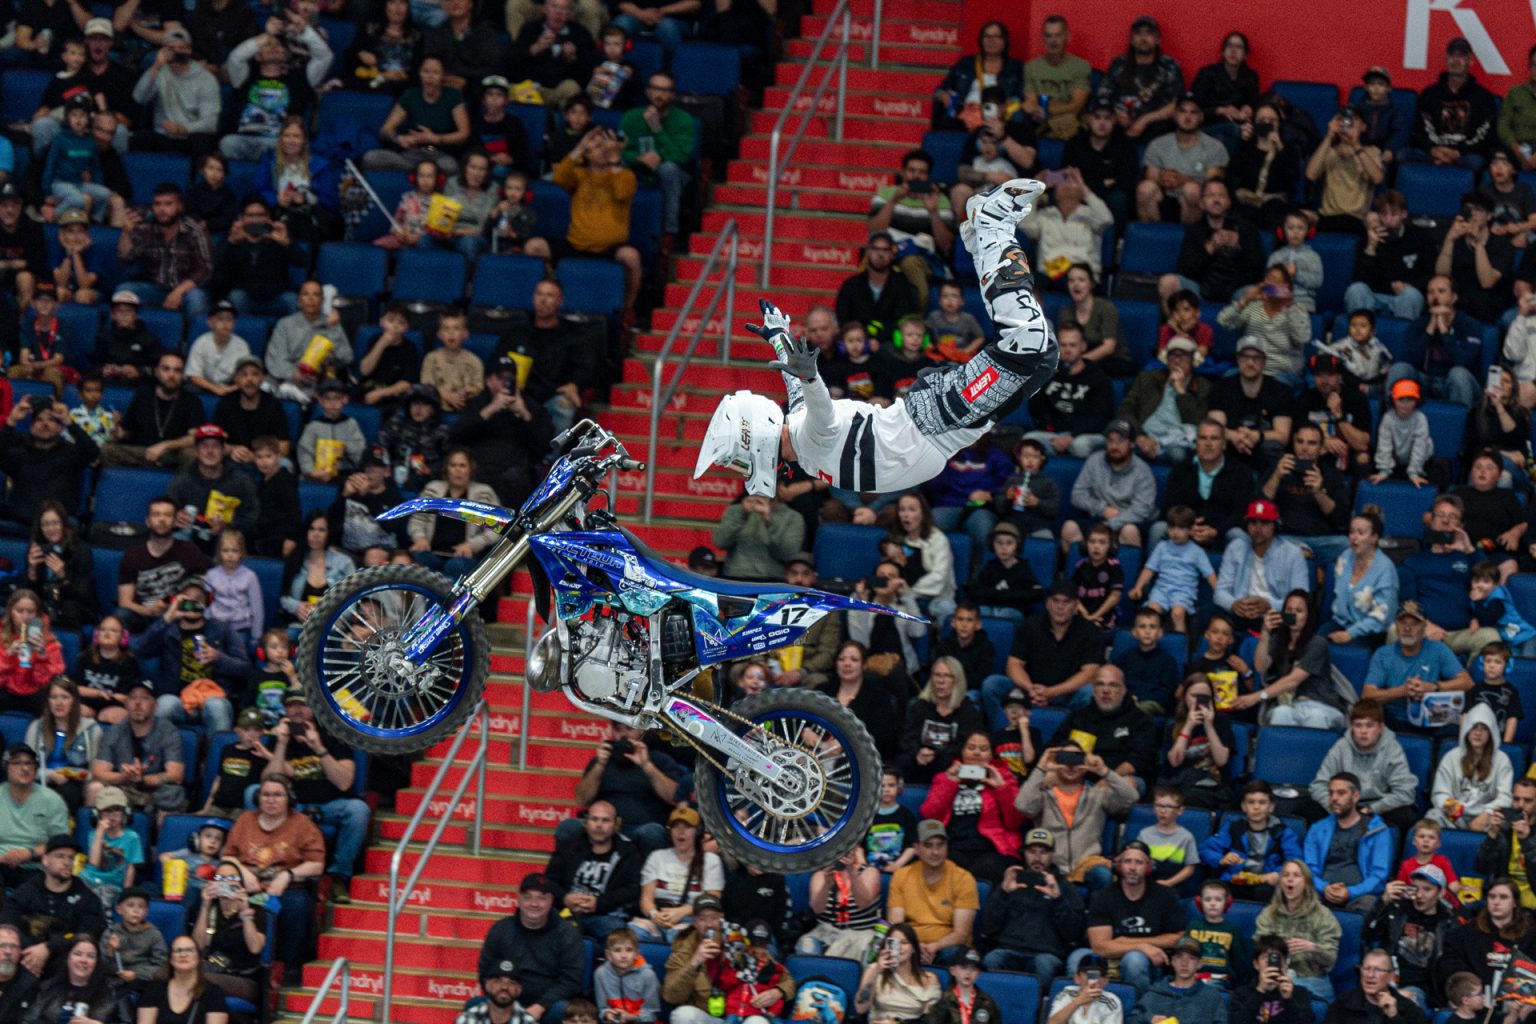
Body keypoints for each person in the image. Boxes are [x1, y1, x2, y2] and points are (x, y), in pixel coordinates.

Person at [700, 180, 1057, 501]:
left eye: (737, 459)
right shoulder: (803, 439)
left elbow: (814, 404)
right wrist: (782, 342)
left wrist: (791, 353)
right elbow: (802, 393)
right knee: (1043, 360)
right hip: (946, 430)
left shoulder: (807, 437)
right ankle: (981, 241)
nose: (740, 467)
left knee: (1028, 341)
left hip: (935, 419)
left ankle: (991, 224)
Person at [265, 685, 369, 901]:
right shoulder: (280, 738)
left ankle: (339, 876)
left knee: (358, 810)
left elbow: (344, 782)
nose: (297, 711)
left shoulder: (334, 734)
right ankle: (266, 863)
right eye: (292, 706)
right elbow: (270, 784)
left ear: (314, 707)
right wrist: (282, 745)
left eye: (303, 705)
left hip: (331, 805)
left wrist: (319, 748)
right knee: (254, 793)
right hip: (295, 806)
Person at [523, 128, 643, 315]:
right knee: (533, 246)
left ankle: (628, 309)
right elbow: (559, 177)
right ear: (587, 153)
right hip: (576, 244)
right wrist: (579, 146)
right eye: (595, 147)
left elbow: (621, 193)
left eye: (604, 145)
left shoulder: (625, 175)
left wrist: (614, 158)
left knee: (631, 257)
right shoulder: (579, 175)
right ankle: (552, 294)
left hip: (610, 248)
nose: (601, 149)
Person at [132, 575, 244, 735]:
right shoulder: (167, 629)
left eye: (198, 599)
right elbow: (140, 650)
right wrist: (166, 618)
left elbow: (244, 669)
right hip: (177, 699)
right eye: (187, 599)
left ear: (207, 602)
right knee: (165, 705)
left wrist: (218, 658)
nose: (192, 603)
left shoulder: (222, 629)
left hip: (212, 697)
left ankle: (214, 758)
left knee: (216, 707)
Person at [1018, 741, 1136, 890]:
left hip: (1087, 863)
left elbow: (1131, 797)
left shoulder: (1097, 795)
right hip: (1051, 864)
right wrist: (1041, 768)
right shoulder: (1044, 796)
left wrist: (1104, 771)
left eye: (1077, 758)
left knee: (1103, 875)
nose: (1071, 765)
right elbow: (1022, 805)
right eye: (1065, 758)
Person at [477, 872, 586, 1022]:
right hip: (507, 998)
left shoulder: (567, 933)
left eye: (542, 898)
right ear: (519, 900)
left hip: (549, 1004)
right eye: (528, 897)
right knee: (475, 1005)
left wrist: (540, 1006)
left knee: (564, 1012)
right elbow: (485, 971)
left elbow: (571, 980)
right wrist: (505, 1000)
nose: (534, 904)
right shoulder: (501, 928)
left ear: (551, 901)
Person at [918, 731, 1022, 887]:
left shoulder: (1005, 777)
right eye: (971, 747)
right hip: (952, 846)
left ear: (991, 755)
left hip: (991, 849)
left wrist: (1002, 788)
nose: (977, 752)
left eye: (983, 749)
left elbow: (1015, 822)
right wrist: (949, 783)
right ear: (963, 751)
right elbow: (930, 816)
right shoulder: (945, 777)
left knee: (988, 869)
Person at [1361, 601, 1473, 737]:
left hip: (1432, 716)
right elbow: (1367, 695)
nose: (1407, 628)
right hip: (1395, 719)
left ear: (1425, 627)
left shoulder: (1438, 649)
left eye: (1414, 624)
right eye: (1402, 623)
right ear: (1396, 626)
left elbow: (1467, 682)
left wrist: (1433, 687)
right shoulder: (1383, 654)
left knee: (1453, 729)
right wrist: (1403, 691)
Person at [2, 833, 106, 978]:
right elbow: (8, 922)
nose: (67, 862)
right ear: (45, 860)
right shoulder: (28, 890)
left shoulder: (87, 898)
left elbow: (88, 935)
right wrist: (32, 951)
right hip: (27, 959)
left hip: (67, 968)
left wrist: (48, 947)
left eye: (71, 858)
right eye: (60, 856)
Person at [543, 798, 642, 940]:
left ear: (615, 825)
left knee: (619, 933)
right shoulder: (569, 847)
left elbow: (633, 889)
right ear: (586, 823)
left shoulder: (628, 852)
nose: (599, 825)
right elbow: (548, 881)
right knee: (534, 916)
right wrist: (565, 898)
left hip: (603, 915)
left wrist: (599, 903)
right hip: (567, 911)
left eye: (605, 820)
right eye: (594, 819)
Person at [886, 819, 980, 966]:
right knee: (890, 948)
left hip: (947, 948)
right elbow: (896, 925)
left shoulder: (964, 878)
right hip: (910, 945)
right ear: (916, 848)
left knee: (954, 954)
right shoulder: (901, 876)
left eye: (940, 845)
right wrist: (914, 947)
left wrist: (932, 948)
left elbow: (961, 934)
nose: (935, 852)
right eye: (928, 845)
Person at [1364, 865, 1457, 1011]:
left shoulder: (1449, 922)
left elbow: (1449, 968)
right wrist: (1382, 902)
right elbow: (1368, 934)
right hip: (1386, 979)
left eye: (1427, 889)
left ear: (1441, 892)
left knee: (1403, 1002)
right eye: (1415, 888)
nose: (1419, 895)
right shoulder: (1398, 910)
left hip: (1422, 988)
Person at [1160, 179, 1266, 307]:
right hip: (1199, 290)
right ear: (1202, 203)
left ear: (1228, 202)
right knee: (1167, 282)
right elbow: (1184, 270)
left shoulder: (1245, 229)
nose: (1216, 200)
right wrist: (1209, 248)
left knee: (1262, 292)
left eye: (1221, 195)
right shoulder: (1195, 230)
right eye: (1210, 195)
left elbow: (1258, 272)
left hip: (1237, 292)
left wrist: (1240, 246)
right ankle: (1173, 327)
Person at [1250, 591, 1347, 729]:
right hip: (1289, 704)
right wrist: (1265, 632)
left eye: (1299, 611)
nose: (1293, 614)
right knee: (1279, 713)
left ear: (1308, 616)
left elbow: (1293, 680)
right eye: (1289, 610)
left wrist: (1256, 697)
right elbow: (1260, 667)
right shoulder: (1277, 641)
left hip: (1321, 704)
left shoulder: (1318, 643)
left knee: (1314, 716)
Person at [113, 184, 213, 315]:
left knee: (197, 300)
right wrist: (126, 232)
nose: (162, 209)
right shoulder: (145, 229)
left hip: (186, 290)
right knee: (123, 292)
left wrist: (178, 292)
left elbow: (205, 270)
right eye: (157, 204)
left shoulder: (194, 231)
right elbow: (125, 259)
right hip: (154, 288)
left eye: (168, 204)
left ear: (180, 207)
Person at [1303, 771, 1394, 915]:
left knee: (1369, 904)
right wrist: (1324, 887)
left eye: (1341, 793)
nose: (1334, 798)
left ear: (1356, 796)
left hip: (1359, 896)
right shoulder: (1317, 829)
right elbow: (1308, 869)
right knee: (1302, 898)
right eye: (1331, 793)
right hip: (1322, 893)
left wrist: (1350, 892)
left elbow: (1378, 876)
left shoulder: (1377, 830)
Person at [90, 681, 186, 815]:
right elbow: (99, 772)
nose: (138, 703)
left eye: (145, 698)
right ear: (126, 704)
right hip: (123, 787)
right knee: (96, 787)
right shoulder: (113, 731)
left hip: (156, 791)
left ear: (155, 705)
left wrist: (142, 779)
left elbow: (176, 775)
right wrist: (124, 777)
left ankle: (162, 835)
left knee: (172, 794)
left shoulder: (168, 732)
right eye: (133, 698)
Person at [1062, 418, 1158, 551]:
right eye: (1110, 440)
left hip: (1128, 522)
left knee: (1129, 531)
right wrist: (1102, 509)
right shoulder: (1094, 460)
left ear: (1131, 444)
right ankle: (1079, 570)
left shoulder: (1143, 471)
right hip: (1099, 518)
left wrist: (1111, 523)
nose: (1114, 446)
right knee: (1069, 528)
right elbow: (1077, 495)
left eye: (1120, 441)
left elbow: (1141, 511)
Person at [629, 806, 722, 941]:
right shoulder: (657, 857)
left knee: (678, 936)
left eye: (687, 827)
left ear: (697, 832)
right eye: (676, 827)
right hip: (660, 917)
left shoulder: (710, 860)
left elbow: (712, 899)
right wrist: (654, 915)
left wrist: (682, 911)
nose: (681, 832)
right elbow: (646, 900)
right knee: (633, 933)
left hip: (692, 919)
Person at [1214, 500, 1309, 633]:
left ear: (1274, 526)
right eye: (1253, 523)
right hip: (1242, 613)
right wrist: (1233, 604)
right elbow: (1219, 592)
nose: (1258, 529)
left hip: (1277, 615)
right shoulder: (1235, 548)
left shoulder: (1293, 554)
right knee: (1217, 625)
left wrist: (1270, 605)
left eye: (1264, 523)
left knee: (1294, 619)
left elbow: (1302, 600)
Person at [619, 72, 693, 242]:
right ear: (647, 92)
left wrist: (657, 129)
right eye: (655, 89)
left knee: (669, 169)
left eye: (665, 90)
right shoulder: (630, 117)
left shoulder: (683, 120)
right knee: (615, 164)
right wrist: (639, 157)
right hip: (638, 166)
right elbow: (621, 150)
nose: (659, 94)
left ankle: (669, 232)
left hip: (670, 171)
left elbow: (681, 156)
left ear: (673, 95)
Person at [1261, 424, 1350, 565]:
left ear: (1321, 449)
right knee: (1273, 545)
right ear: (1293, 444)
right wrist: (1276, 477)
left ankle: (1310, 558)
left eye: (1311, 443)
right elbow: (1260, 507)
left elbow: (1342, 521)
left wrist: (1319, 492)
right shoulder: (1278, 469)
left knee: (1348, 546)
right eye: (1300, 441)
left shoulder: (1332, 476)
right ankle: (1312, 562)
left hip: (1323, 540)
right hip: (1288, 538)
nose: (1304, 448)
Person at [1253, 860, 1341, 1002]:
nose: (1290, 879)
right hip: (1276, 977)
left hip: (1313, 979)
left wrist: (1313, 948)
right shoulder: (1268, 914)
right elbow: (1259, 950)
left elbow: (1330, 961)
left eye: (1296, 875)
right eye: (1286, 875)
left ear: (1306, 883)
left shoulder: (1323, 916)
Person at [100, 350, 203, 470]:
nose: (171, 375)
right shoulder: (143, 394)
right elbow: (125, 433)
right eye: (166, 369)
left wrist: (165, 446)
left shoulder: (191, 400)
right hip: (142, 452)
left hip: (173, 454)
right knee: (107, 450)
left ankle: (179, 488)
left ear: (183, 375)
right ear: (157, 372)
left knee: (191, 455)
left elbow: (194, 438)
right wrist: (116, 427)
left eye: (177, 370)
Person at [1392, 275, 1483, 409]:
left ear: (1454, 297)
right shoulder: (1419, 324)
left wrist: (1444, 331)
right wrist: (1430, 330)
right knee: (1399, 369)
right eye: (1431, 292)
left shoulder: (1470, 325)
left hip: (1455, 383)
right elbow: (1409, 360)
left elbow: (1464, 363)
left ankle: (1461, 427)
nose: (1435, 296)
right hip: (1425, 381)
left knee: (1458, 374)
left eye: (1441, 291)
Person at [1136, 94, 1229, 224]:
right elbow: (1151, 179)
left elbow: (1212, 186)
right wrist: (1165, 179)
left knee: (1191, 190)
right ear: (1174, 115)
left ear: (1201, 117)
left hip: (1194, 202)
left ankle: (1190, 239)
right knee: (1145, 188)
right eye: (1182, 111)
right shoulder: (1157, 144)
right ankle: (1149, 237)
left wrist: (1182, 180)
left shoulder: (1214, 147)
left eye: (1193, 112)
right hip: (1163, 198)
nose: (1187, 117)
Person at [1025, 325, 1115, 459]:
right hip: (1055, 435)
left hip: (1085, 435)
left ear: (1083, 346)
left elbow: (1101, 419)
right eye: (1063, 345)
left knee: (1080, 446)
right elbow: (1037, 412)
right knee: (1029, 441)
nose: (1067, 350)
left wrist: (1071, 436)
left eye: (1072, 345)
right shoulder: (1050, 373)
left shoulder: (1098, 378)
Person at [190, 857, 269, 1005]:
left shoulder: (255, 910)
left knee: (194, 979)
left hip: (243, 978)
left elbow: (255, 947)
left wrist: (245, 914)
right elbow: (198, 946)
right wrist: (205, 906)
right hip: (212, 969)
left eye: (232, 877)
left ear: (240, 884)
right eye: (220, 878)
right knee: (167, 971)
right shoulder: (210, 909)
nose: (226, 882)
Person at [1345, 191, 1434, 321]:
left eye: (1393, 214)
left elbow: (1430, 274)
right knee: (1355, 290)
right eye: (1384, 214)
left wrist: (1410, 285)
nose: (1388, 220)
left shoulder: (1419, 237)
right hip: (1374, 295)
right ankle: (1360, 338)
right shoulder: (1368, 239)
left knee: (1412, 295)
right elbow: (1359, 279)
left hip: (1405, 295)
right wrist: (1371, 247)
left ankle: (1403, 338)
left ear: (1404, 214)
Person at [1216, 265, 1312, 385]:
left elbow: (1303, 338)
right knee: (1228, 378)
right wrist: (1244, 300)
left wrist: (1289, 305)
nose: (1271, 284)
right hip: (1250, 368)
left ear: (1286, 287)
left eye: (1277, 282)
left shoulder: (1296, 310)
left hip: (1281, 373)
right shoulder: (1253, 306)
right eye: (1269, 279)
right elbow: (1223, 321)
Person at [130, 28, 220, 154]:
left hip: (190, 134)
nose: (176, 52)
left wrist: (183, 129)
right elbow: (139, 98)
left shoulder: (206, 79)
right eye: (171, 48)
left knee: (203, 142)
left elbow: (211, 123)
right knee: (136, 140)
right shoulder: (159, 72)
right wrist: (156, 66)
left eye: (181, 48)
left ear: (189, 50)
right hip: (163, 134)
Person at [1093, 16, 1183, 140]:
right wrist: (1117, 114)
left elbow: (1177, 104)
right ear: (1131, 39)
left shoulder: (1169, 66)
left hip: (1158, 130)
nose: (1143, 38)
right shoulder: (1119, 64)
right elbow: (1102, 96)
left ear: (1158, 39)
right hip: (1120, 129)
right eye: (1138, 34)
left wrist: (1145, 120)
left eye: (1149, 33)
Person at [1429, 704, 1512, 832]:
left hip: (1485, 816)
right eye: (1474, 728)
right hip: (1456, 815)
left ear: (1491, 733)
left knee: (1502, 823)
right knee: (1433, 816)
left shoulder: (1502, 760)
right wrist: (1453, 809)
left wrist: (1487, 813)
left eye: (1483, 728)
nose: (1478, 733)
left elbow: (1505, 797)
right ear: (1467, 730)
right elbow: (1439, 793)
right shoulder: (1451, 757)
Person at [24, 678, 102, 814]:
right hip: (41, 782)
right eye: (53, 697)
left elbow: (96, 771)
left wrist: (80, 775)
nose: (58, 703)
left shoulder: (91, 729)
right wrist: (51, 775)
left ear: (74, 701)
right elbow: (26, 767)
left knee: (68, 791)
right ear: (48, 701)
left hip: (75, 786)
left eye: (64, 697)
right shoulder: (36, 727)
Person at [1305, 108, 1385, 235]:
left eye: (1354, 120)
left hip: (1357, 219)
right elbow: (1310, 175)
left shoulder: (1371, 152)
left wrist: (1356, 145)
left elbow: (1378, 178)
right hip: (1328, 216)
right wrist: (1329, 136)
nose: (1348, 123)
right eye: (1344, 119)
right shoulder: (1328, 151)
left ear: (1363, 127)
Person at [216, 199, 302, 317]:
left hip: (275, 298)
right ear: (241, 218)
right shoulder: (232, 238)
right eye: (250, 215)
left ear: (268, 218)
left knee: (291, 299)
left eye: (260, 215)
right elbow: (217, 269)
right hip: (246, 298)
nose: (255, 220)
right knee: (236, 296)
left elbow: (302, 262)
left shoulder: (278, 237)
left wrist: (286, 243)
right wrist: (231, 243)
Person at [0, 742, 70, 887]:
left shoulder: (52, 800)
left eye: (29, 763)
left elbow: (61, 843)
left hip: (35, 867)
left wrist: (29, 853)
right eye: (17, 763)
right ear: (6, 767)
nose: (25, 768)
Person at [1160, 676, 1234, 811]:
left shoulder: (1222, 722)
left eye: (1205, 697)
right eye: (1194, 696)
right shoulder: (1174, 725)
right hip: (1180, 783)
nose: (1199, 701)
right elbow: (1174, 761)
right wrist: (1188, 726)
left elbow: (1221, 760)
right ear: (1185, 697)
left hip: (1211, 786)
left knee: (1190, 797)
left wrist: (1209, 726)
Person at [24, 936, 130, 1024]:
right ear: (68, 958)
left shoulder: (115, 990)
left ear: (97, 962)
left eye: (91, 956)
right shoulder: (47, 988)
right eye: (77, 954)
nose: (83, 960)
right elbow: (28, 1021)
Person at [852, 921, 942, 1022]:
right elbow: (860, 1008)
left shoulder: (929, 979)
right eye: (893, 942)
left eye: (904, 943)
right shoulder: (873, 970)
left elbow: (931, 1019)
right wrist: (877, 972)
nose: (898, 947)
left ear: (913, 949)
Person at [1128, 934, 1226, 1024]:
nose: (1184, 963)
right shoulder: (1154, 993)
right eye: (1179, 957)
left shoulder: (1211, 996)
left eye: (1191, 958)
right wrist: (1150, 1019)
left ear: (1200, 964)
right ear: (1172, 961)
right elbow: (1131, 1020)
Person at [710, 492, 805, 582]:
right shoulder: (735, 510)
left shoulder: (793, 517)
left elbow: (787, 554)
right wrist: (742, 514)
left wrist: (769, 523)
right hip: (735, 576)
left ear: (780, 486)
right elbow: (720, 542)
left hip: (772, 580)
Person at [136, 935, 228, 1024]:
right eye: (177, 951)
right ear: (170, 959)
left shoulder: (213, 992)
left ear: (199, 958)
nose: (183, 954)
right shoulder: (154, 989)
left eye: (189, 950)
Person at [1321, 947, 1427, 1024]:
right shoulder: (1343, 1003)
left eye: (1378, 970)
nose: (1370, 975)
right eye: (1366, 969)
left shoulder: (1409, 1009)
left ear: (1391, 976)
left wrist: (1394, 1017)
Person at [0, 590, 63, 716]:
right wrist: (8, 655)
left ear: (37, 615)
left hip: (36, 694)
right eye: (20, 611)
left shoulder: (49, 640)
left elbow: (48, 679)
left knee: (56, 698)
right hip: (6, 691)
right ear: (10, 612)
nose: (25, 617)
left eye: (30, 612)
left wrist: (42, 655)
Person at [1228, 935, 1312, 1024]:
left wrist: (1288, 1000)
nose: (1270, 963)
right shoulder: (1242, 993)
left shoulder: (1299, 992)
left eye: (1277, 958)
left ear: (1285, 964)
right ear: (1256, 964)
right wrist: (1260, 992)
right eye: (1265, 957)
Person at [0, 921, 40, 1019]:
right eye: (2, 946)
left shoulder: (29, 985)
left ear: (20, 952)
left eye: (14, 946)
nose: (8, 951)